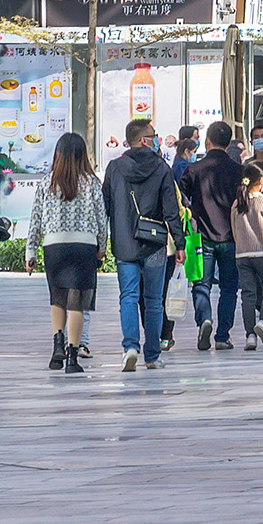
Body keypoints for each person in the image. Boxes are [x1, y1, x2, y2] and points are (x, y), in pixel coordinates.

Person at [104, 118, 182, 372]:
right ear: (142, 140)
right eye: (153, 135)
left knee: (128, 295)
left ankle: (130, 347)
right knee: (153, 299)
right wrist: (179, 242)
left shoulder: (115, 168)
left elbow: (106, 205)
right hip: (155, 242)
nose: (156, 138)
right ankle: (152, 355)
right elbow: (171, 210)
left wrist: (101, 240)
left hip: (125, 242)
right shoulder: (162, 168)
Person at [27, 131, 106, 372]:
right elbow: (101, 219)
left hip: (54, 246)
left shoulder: (46, 182)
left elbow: (36, 219)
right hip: (84, 245)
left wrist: (31, 251)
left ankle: (57, 347)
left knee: (57, 298)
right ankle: (73, 357)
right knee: (77, 303)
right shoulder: (91, 183)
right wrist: (102, 247)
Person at [180, 119, 253, 351]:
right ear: (229, 142)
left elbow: (180, 198)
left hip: (201, 236)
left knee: (201, 284)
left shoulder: (194, 169)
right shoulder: (238, 170)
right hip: (231, 237)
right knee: (229, 287)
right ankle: (223, 336)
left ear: (207, 141)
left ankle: (204, 320)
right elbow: (245, 202)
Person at [226, 166, 263, 352]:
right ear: (262, 180)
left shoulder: (237, 204)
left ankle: (249, 336)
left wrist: (241, 247)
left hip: (242, 254)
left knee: (247, 294)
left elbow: (235, 230)